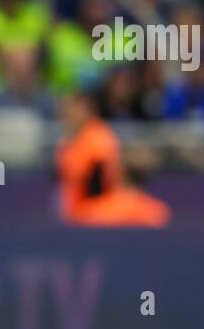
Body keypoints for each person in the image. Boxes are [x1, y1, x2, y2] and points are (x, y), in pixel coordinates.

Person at [55, 91, 170, 227]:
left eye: (72, 110)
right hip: (85, 211)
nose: (67, 116)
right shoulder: (67, 144)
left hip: (99, 204)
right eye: (65, 112)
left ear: (86, 110)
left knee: (156, 212)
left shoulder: (98, 137)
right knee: (154, 213)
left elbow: (103, 180)